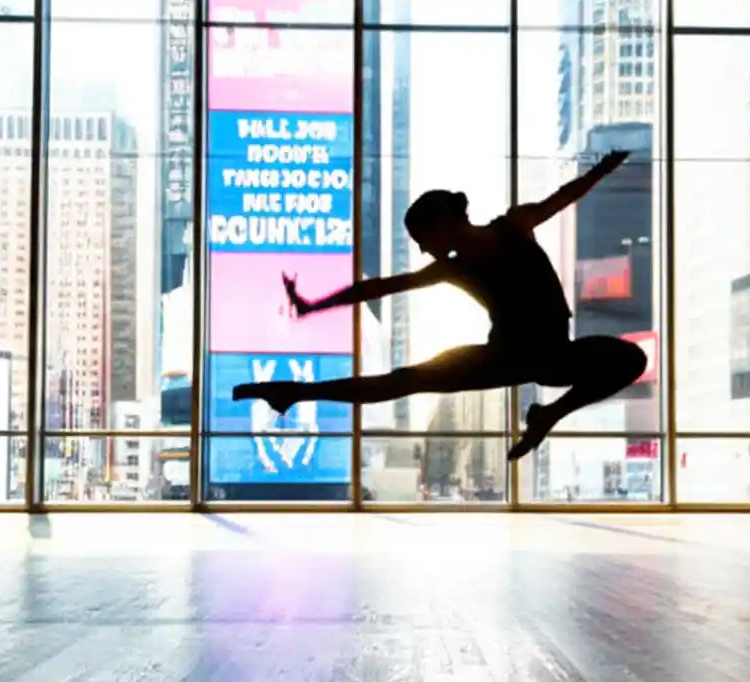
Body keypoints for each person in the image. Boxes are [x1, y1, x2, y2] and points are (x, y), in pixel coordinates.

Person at [233, 149, 648, 460]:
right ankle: (293, 392)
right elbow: (376, 288)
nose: (421, 249)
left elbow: (562, 198)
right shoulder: (454, 266)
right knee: (402, 381)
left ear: (444, 224)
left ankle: (549, 415)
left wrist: (602, 169)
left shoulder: (514, 225)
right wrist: (311, 306)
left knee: (631, 358)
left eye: (421, 239)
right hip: (504, 358)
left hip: (552, 355)